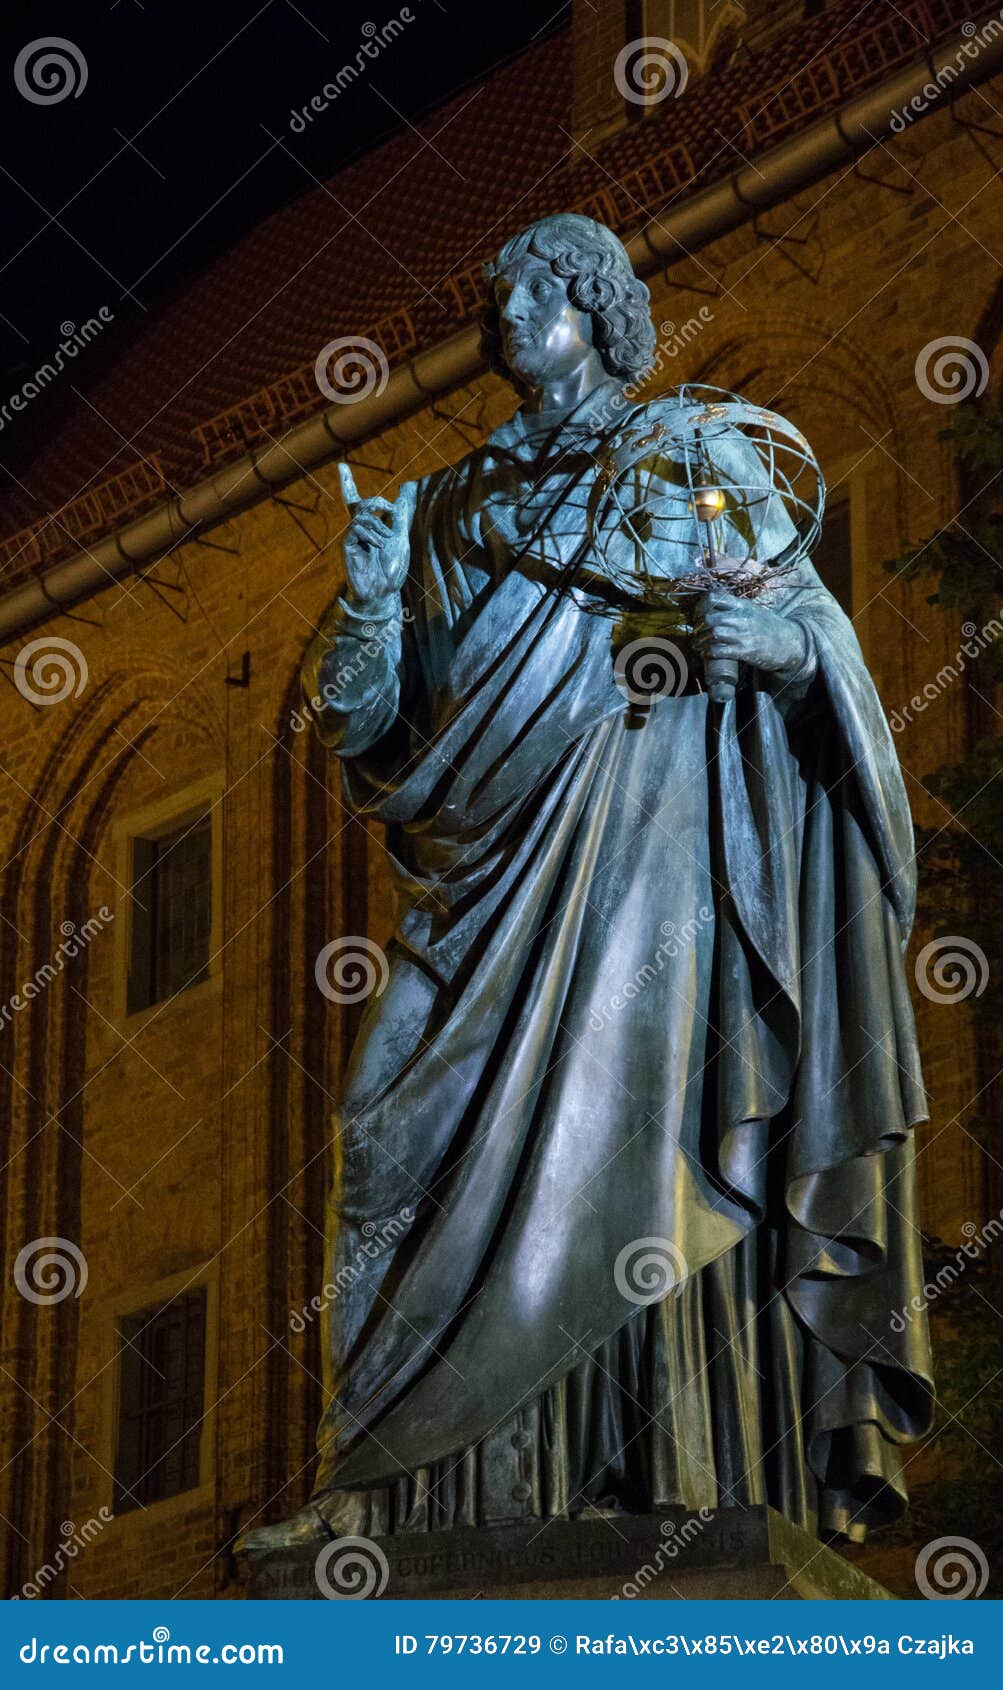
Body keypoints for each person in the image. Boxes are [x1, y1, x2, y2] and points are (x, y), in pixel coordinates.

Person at [242, 213, 932, 1554]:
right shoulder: (444, 508)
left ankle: (670, 1465)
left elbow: (814, 639)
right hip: (484, 897)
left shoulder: (691, 451)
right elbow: (380, 733)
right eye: (497, 295)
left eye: (529, 291)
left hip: (659, 886)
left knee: (648, 1142)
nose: (502, 316)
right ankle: (399, 1481)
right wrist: (376, 605)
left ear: (599, 307)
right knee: (388, 1137)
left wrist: (776, 646)